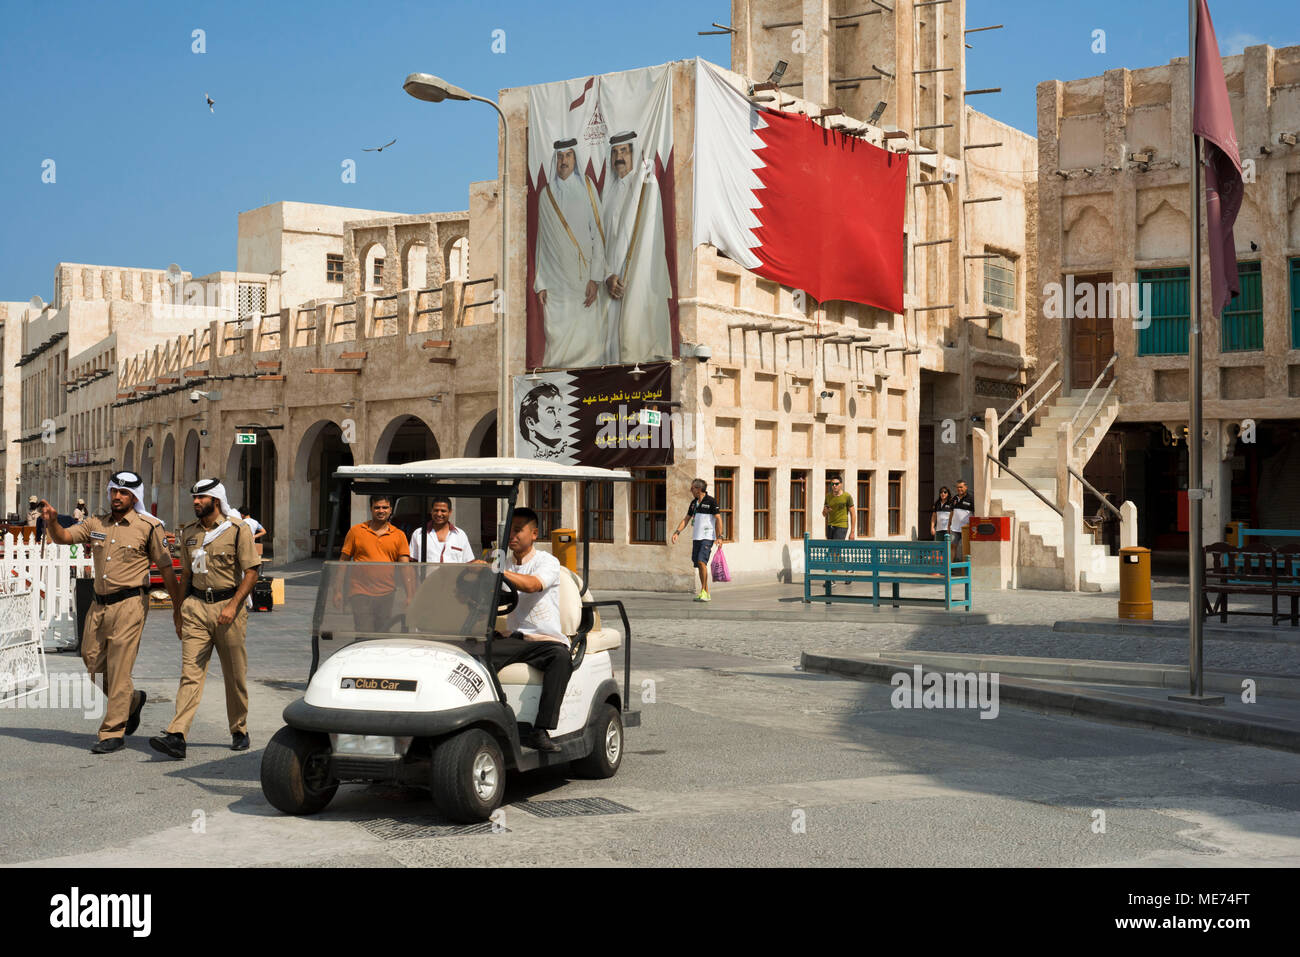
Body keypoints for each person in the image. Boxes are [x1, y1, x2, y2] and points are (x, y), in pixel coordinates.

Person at [41, 471, 183, 754]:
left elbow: (166, 568)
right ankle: (132, 701)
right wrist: (53, 521)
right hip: (98, 604)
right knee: (90, 658)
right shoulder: (96, 523)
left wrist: (177, 608)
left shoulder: (149, 526)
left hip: (130, 605)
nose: (117, 497)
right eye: (114, 491)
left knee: (119, 669)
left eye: (124, 493)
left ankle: (112, 732)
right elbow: (64, 538)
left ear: (135, 497)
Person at [149, 479, 262, 760]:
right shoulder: (189, 533)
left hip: (228, 609)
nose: (196, 502)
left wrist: (233, 606)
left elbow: (251, 572)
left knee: (234, 674)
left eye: (201, 498)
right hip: (196, 608)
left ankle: (239, 728)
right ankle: (177, 735)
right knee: (190, 673)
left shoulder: (237, 531)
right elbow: (185, 575)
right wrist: (179, 611)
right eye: (194, 498)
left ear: (216, 500)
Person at [489, 507, 571, 753]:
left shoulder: (547, 561)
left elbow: (534, 585)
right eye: (509, 531)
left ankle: (540, 730)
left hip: (544, 640)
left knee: (561, 658)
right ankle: (490, 720)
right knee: (477, 653)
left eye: (517, 531)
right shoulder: (501, 559)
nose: (512, 536)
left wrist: (498, 571)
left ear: (533, 533)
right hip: (515, 638)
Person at [599, 130, 672, 364]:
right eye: (615, 152)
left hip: (636, 280)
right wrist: (607, 275)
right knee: (610, 348)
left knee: (634, 342)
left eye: (624, 151)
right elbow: (598, 242)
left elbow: (650, 238)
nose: (619, 157)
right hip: (609, 284)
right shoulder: (605, 195)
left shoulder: (645, 188)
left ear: (633, 153)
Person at [534, 138, 606, 368]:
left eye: (568, 156)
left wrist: (595, 278)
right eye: (560, 157)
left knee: (587, 335)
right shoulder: (546, 195)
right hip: (556, 282)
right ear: (555, 160)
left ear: (575, 159)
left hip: (582, 277)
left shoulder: (586, 186)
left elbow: (598, 233)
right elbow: (542, 241)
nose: (564, 161)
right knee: (557, 337)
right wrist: (541, 282)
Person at [336, 494, 410, 633]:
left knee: (382, 632)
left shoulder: (399, 535)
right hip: (360, 591)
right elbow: (343, 562)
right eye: (377, 507)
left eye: (384, 507)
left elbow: (405, 568)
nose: (381, 511)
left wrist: (410, 595)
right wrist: (338, 590)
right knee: (364, 631)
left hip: (387, 593)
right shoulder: (356, 531)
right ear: (371, 509)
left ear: (390, 509)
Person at [670, 478, 719, 602]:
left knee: (702, 562)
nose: (690, 490)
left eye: (692, 488)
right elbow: (686, 519)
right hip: (696, 537)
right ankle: (706, 592)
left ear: (698, 489)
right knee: (698, 563)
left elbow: (719, 519)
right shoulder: (693, 503)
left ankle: (703, 591)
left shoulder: (711, 501)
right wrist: (677, 532)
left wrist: (720, 537)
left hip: (707, 537)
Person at [410, 496, 472, 563]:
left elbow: (469, 563)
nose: (439, 514)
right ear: (431, 511)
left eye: (443, 511)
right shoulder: (418, 533)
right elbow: (412, 563)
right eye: (436, 510)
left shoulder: (460, 535)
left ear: (450, 512)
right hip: (425, 574)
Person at [518, 382, 570, 460]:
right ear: (530, 423)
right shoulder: (525, 454)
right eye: (550, 411)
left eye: (559, 410)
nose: (558, 419)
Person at [822, 475, 856, 540]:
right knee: (830, 548)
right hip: (830, 526)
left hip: (841, 526)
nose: (834, 486)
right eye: (832, 484)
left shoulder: (847, 496)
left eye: (836, 484)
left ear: (841, 484)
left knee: (836, 548)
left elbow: (853, 514)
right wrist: (826, 511)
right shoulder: (828, 496)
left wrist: (852, 532)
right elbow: (824, 514)